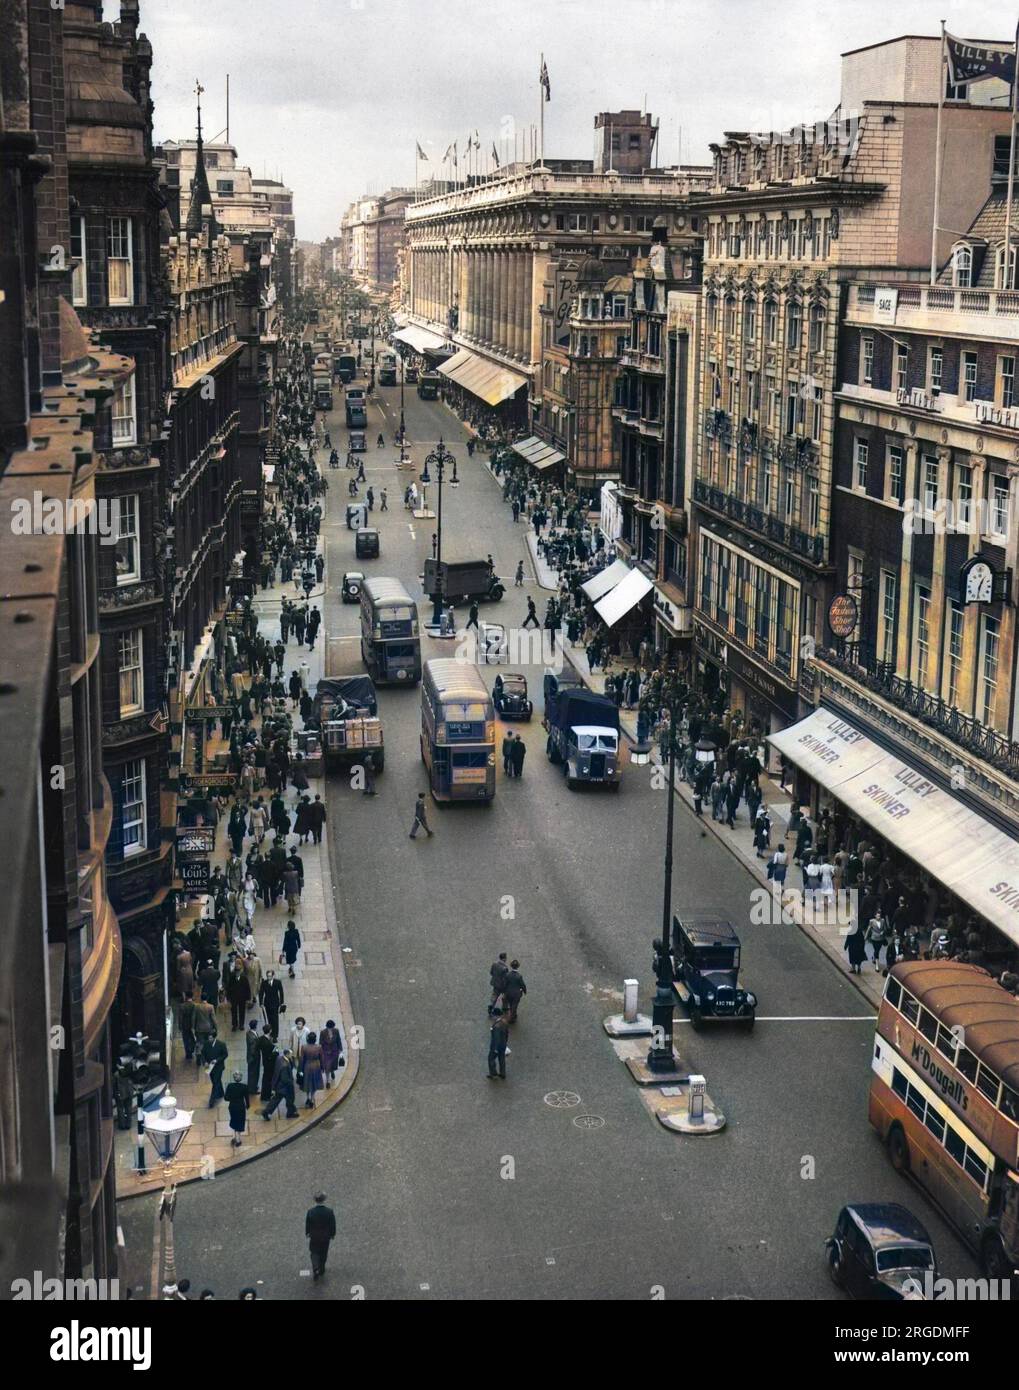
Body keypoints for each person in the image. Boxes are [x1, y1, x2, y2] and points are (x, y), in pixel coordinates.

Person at [305, 1194, 337, 1281]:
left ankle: (315, 1267)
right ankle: (322, 1268)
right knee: (323, 1253)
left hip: (314, 1236)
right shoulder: (329, 1211)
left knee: (314, 1252)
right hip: (325, 1236)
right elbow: (332, 1224)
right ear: (324, 1200)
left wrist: (308, 1232)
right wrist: (332, 1234)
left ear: (315, 1200)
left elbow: (308, 1223)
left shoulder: (311, 1211)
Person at [262, 1049, 299, 1119]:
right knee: (289, 1099)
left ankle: (266, 1112)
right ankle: (290, 1113)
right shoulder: (285, 1065)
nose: (292, 1055)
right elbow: (284, 1078)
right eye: (291, 1054)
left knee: (278, 1100)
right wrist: (291, 1082)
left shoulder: (279, 1058)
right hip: (284, 1087)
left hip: (279, 1086)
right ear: (287, 1054)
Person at [300, 1031, 325, 1109]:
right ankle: (312, 1097)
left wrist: (300, 1069)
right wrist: (322, 1067)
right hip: (316, 1066)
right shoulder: (319, 1047)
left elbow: (302, 1059)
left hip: (307, 1066)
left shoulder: (304, 1047)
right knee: (314, 1083)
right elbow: (322, 1058)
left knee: (307, 1083)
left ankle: (307, 1098)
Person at [225, 1070, 249, 1148]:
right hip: (241, 1107)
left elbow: (226, 1098)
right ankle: (238, 1140)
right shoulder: (244, 1087)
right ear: (241, 1078)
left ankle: (233, 1137)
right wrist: (248, 1106)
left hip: (232, 1107)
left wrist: (232, 1098)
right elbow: (247, 1098)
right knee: (240, 1122)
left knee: (233, 1120)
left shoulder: (230, 1086)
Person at [259, 969, 285, 1040]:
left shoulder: (278, 982)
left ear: (273, 976)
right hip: (267, 1003)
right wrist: (261, 1003)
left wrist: (281, 1003)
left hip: (275, 1003)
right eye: (267, 976)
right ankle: (269, 1033)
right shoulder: (264, 983)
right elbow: (261, 993)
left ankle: (275, 1036)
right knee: (268, 1019)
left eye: (270, 976)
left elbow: (281, 992)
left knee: (275, 1020)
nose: (268, 978)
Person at [487, 1006, 509, 1080]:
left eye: (493, 1015)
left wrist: (495, 1048)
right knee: (501, 1058)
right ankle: (503, 1073)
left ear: (496, 1015)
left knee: (491, 1058)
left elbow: (496, 1038)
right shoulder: (504, 1022)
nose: (492, 1017)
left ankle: (493, 1073)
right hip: (503, 1045)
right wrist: (505, 1043)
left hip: (496, 1046)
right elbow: (506, 1034)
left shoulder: (496, 1026)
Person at [206, 1036, 229, 1107]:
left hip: (218, 1067)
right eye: (208, 1038)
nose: (209, 1040)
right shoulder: (206, 1044)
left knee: (215, 1082)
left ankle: (212, 1101)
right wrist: (204, 1062)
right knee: (215, 1081)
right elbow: (203, 1053)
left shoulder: (221, 1044)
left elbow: (225, 1055)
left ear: (214, 1038)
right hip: (210, 1067)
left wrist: (217, 1060)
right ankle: (221, 1093)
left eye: (211, 1038)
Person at [320, 1019, 344, 1085]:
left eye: (331, 1028)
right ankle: (328, 1081)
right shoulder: (323, 1032)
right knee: (327, 1067)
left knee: (333, 1065)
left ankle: (332, 1071)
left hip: (334, 1051)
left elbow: (339, 1040)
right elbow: (320, 1043)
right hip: (326, 1052)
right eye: (329, 1028)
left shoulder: (336, 1031)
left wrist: (341, 1051)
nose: (330, 1029)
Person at [245, 1019, 262, 1096]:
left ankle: (251, 1086)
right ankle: (252, 1089)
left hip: (251, 1057)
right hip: (254, 1058)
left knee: (252, 1073)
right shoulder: (252, 1037)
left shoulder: (249, 1033)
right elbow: (253, 1049)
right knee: (254, 1073)